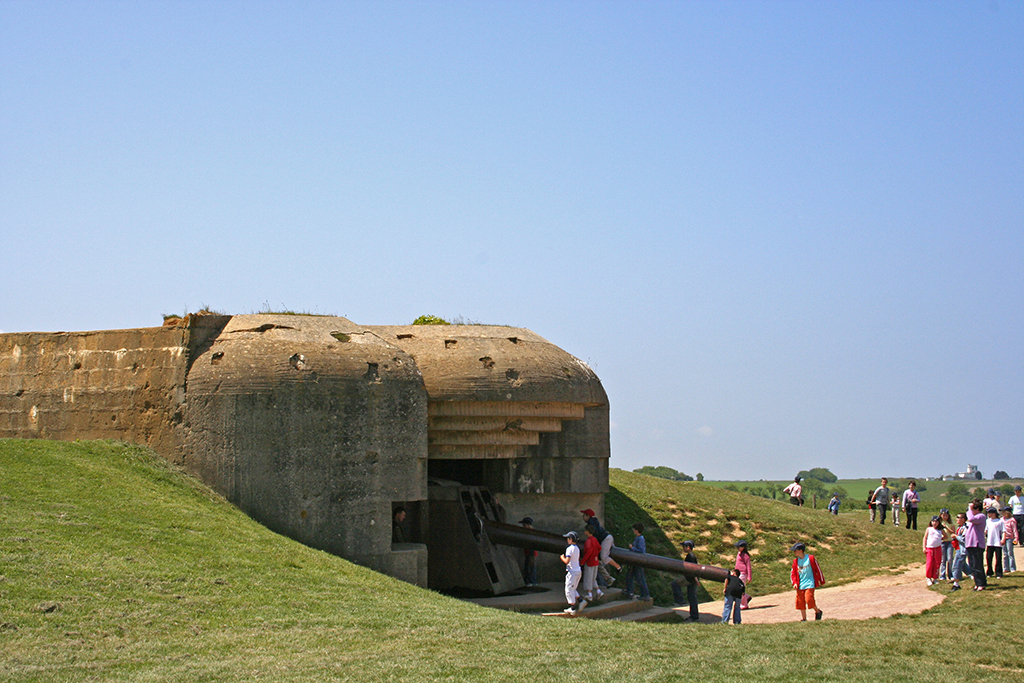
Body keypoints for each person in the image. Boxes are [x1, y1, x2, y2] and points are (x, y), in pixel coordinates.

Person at [579, 509, 621, 586]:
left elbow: (596, 535)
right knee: (600, 561)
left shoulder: (591, 524)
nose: (583, 517)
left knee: (604, 557)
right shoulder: (593, 522)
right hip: (607, 538)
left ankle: (618, 567)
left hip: (605, 540)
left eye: (584, 515)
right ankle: (608, 579)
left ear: (588, 516)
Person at [790, 543, 824, 621]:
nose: (794, 552)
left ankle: (818, 611)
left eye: (795, 550)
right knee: (800, 602)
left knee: (809, 599)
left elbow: (818, 569)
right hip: (800, 584)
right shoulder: (796, 561)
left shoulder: (810, 558)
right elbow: (793, 573)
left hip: (810, 583)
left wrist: (821, 580)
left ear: (801, 551)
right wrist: (794, 583)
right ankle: (804, 618)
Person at [671, 540, 701, 622]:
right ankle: (694, 616)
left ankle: (680, 601)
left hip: (689, 578)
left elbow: (694, 568)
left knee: (675, 584)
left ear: (688, 547)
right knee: (692, 597)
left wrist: (696, 579)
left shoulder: (690, 556)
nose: (683, 548)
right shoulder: (692, 556)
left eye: (684, 546)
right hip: (692, 578)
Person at [621, 523, 651, 600]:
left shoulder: (640, 539)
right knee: (629, 576)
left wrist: (632, 548)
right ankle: (629, 591)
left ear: (637, 530)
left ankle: (645, 594)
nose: (633, 531)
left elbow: (641, 551)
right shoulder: (638, 538)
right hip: (635, 561)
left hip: (637, 561)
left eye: (634, 529)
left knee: (640, 578)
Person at [560, 531, 585, 615]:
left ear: (571, 539)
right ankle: (581, 601)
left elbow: (567, 561)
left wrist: (562, 557)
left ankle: (572, 607)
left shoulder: (569, 549)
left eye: (568, 538)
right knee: (573, 588)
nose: (567, 540)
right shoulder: (577, 548)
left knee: (568, 589)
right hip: (578, 571)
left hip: (572, 572)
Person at [965, 500, 988, 591]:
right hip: (970, 544)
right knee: (972, 565)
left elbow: (971, 519)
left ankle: (981, 583)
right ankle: (977, 583)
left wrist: (969, 510)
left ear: (977, 509)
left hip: (977, 544)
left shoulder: (981, 516)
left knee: (977, 565)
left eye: (973, 509)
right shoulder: (973, 517)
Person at [580, 524, 603, 601]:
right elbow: (599, 548)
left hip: (590, 562)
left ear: (587, 531)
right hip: (595, 561)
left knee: (588, 577)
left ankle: (590, 594)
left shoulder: (588, 541)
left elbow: (588, 552)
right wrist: (595, 554)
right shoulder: (595, 539)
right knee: (593, 578)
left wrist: (583, 561)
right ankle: (598, 591)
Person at [923, 515, 946, 586]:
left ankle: (935, 577)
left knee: (937, 563)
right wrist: (924, 547)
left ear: (939, 523)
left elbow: (946, 536)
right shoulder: (929, 529)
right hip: (930, 548)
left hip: (938, 548)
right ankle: (928, 577)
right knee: (929, 563)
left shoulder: (940, 530)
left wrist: (940, 539)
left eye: (936, 522)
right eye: (933, 521)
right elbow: (925, 538)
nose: (934, 523)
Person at [949, 512, 968, 591]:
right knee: (963, 565)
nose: (957, 519)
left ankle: (956, 584)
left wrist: (956, 536)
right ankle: (974, 576)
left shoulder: (965, 528)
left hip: (962, 549)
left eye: (958, 517)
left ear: (963, 519)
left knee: (956, 565)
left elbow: (964, 539)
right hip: (958, 548)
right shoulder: (959, 527)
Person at [985, 507, 1004, 579]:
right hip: (990, 542)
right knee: (989, 558)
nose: (989, 515)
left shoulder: (1000, 521)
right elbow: (985, 530)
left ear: (994, 514)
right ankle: (989, 572)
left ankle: (998, 572)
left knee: (998, 558)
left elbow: (1003, 531)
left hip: (997, 542)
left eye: (990, 513)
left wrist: (1003, 539)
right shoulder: (987, 521)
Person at [518, 517, 538, 586]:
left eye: (524, 525)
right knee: (530, 567)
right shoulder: (530, 532)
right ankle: (532, 581)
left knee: (530, 567)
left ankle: (530, 582)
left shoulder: (531, 533)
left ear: (528, 525)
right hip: (529, 552)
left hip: (531, 552)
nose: (523, 526)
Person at [734, 540, 753, 609]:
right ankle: (747, 597)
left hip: (743, 573)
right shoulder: (739, 553)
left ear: (743, 547)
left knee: (740, 589)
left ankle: (744, 605)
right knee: (738, 587)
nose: (737, 548)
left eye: (739, 547)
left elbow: (748, 566)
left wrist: (749, 576)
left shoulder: (746, 556)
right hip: (738, 573)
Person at [937, 509, 955, 581]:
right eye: (943, 515)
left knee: (950, 558)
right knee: (943, 559)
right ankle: (942, 575)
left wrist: (946, 527)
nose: (945, 517)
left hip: (950, 541)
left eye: (946, 515)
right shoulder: (939, 522)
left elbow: (953, 532)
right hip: (942, 542)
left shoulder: (950, 523)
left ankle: (950, 574)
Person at [1001, 507, 1018, 573]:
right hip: (1003, 538)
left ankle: (1012, 567)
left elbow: (1015, 530)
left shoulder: (1012, 520)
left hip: (1010, 538)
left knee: (1010, 553)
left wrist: (1016, 538)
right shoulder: (1002, 520)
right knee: (1005, 553)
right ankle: (1006, 567)